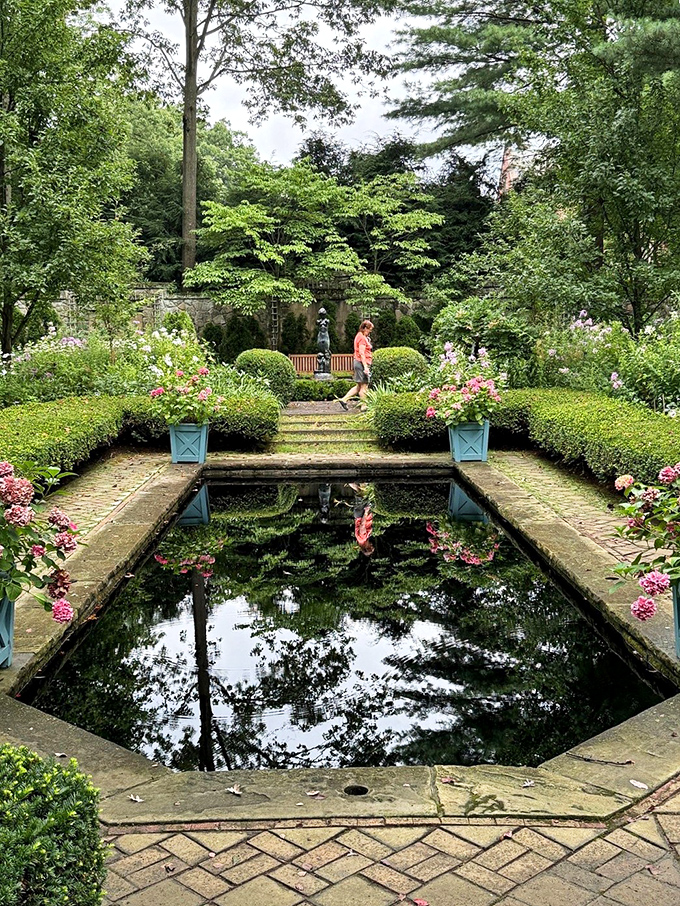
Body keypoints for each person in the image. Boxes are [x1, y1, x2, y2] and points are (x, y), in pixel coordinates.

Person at [338, 319, 374, 411]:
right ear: (365, 328)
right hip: (361, 363)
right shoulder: (361, 338)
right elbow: (362, 353)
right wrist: (365, 367)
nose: (370, 331)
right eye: (370, 329)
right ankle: (364, 406)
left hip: (358, 363)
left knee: (359, 386)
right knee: (364, 386)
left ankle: (344, 399)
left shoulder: (360, 336)